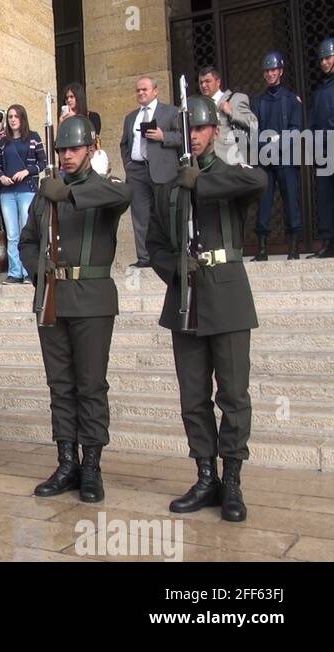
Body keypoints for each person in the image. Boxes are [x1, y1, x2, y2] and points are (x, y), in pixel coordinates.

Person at [147, 95, 266, 522]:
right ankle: (205, 476)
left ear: (214, 132)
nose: (195, 136)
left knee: (232, 394)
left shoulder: (229, 175)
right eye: (190, 130)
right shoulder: (169, 188)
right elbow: (156, 244)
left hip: (229, 294)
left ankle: (231, 480)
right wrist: (175, 271)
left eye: (201, 129)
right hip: (188, 297)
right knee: (193, 396)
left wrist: (202, 183)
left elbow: (259, 183)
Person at [19, 116, 132, 504]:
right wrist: (41, 277)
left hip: (93, 300)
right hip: (53, 298)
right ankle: (66, 461)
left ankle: (92, 466)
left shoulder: (104, 188)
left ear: (90, 149)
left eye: (74, 149)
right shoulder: (43, 194)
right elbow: (26, 242)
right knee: (61, 386)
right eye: (62, 150)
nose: (66, 156)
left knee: (91, 386)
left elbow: (123, 196)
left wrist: (65, 195)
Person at [119, 76, 183, 268]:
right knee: (139, 214)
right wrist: (128, 164)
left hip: (163, 169)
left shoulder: (170, 112)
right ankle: (144, 257)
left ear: (155, 91)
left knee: (166, 212)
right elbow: (124, 143)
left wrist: (163, 136)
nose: (141, 93)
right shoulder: (131, 117)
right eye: (138, 90)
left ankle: (173, 252)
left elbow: (183, 136)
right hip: (137, 171)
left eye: (144, 89)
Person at [251, 51, 305, 261]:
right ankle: (262, 249)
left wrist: (276, 141)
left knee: (291, 202)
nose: (270, 74)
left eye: (273, 69)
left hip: (286, 158)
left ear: (280, 71)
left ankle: (294, 248)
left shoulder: (292, 99)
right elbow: (255, 130)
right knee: (263, 203)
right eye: (267, 71)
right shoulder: (259, 101)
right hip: (265, 160)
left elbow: (295, 128)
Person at [0, 104, 46, 285]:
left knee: (26, 232)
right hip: (7, 193)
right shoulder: (3, 141)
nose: (13, 119)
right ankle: (15, 272)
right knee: (12, 234)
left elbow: (43, 162)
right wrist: (1, 177)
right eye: (10, 117)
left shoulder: (33, 137)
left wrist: (27, 171)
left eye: (16, 116)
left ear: (22, 118)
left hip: (27, 190)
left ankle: (27, 271)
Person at [198, 65, 257, 166]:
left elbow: (253, 123)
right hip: (209, 166)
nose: (203, 85)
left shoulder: (235, 99)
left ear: (218, 82)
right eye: (201, 82)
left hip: (232, 164)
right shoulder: (200, 106)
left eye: (207, 81)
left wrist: (231, 112)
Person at [310, 37, 334, 259]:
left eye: (328, 57)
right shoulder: (319, 92)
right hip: (325, 150)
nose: (325, 62)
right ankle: (328, 241)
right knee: (325, 197)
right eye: (322, 59)